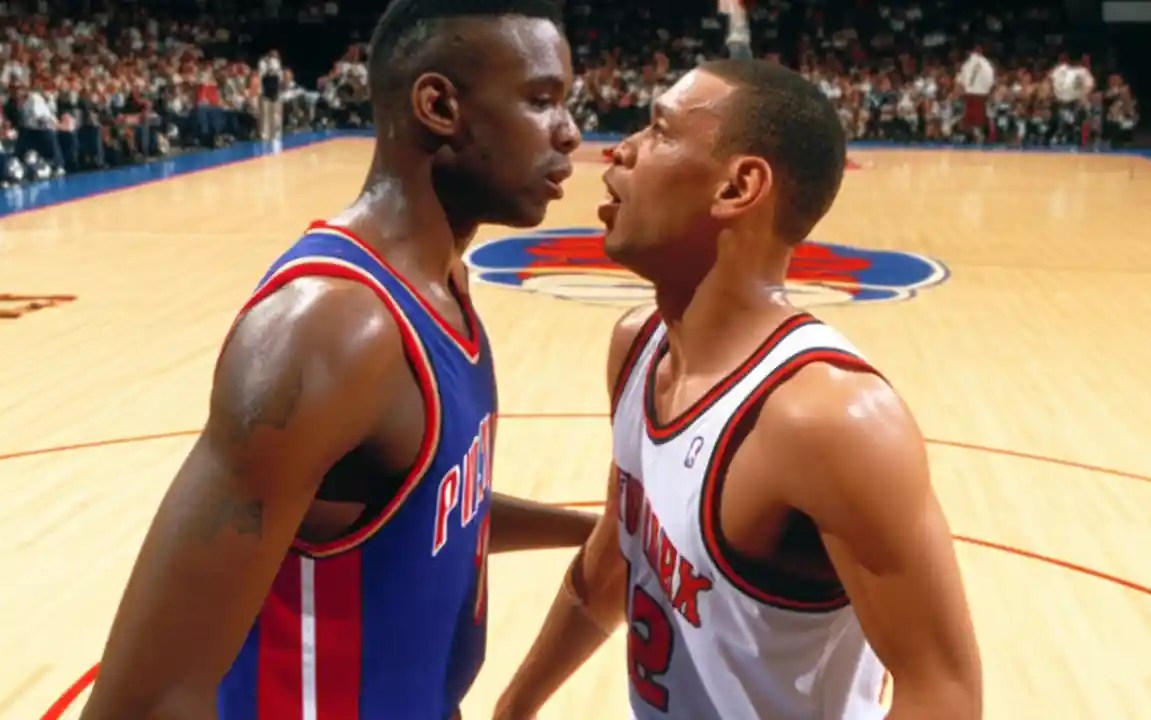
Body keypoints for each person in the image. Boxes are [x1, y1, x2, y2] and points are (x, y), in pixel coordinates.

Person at [80, 1, 592, 719]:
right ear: (439, 106)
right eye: (541, 100)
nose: (569, 132)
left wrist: (593, 534)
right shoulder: (333, 329)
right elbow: (146, 699)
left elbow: (430, 511)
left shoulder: (438, 282)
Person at [494, 59, 983, 719]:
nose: (621, 149)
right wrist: (514, 707)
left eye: (659, 130)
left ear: (738, 186)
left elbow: (944, 693)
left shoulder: (827, 418)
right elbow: (615, 557)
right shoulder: (637, 347)